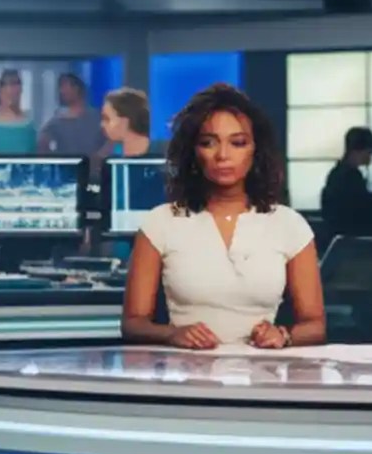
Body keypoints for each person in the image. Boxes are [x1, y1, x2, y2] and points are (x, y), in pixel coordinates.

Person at [121, 83, 326, 350]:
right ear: (193, 152)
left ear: (255, 150)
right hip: (187, 368)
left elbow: (315, 325)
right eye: (208, 143)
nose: (223, 155)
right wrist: (172, 334)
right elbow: (133, 323)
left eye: (238, 143)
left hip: (262, 369)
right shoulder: (160, 223)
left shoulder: (289, 225)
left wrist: (283, 335)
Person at [37, 73, 107, 161]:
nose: (61, 91)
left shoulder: (97, 117)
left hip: (94, 168)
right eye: (60, 87)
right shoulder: (56, 122)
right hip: (67, 168)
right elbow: (42, 145)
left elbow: (111, 140)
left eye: (64, 86)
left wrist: (100, 156)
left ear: (76, 88)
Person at [320, 126, 372, 235]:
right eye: (369, 152)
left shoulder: (336, 173)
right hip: (348, 233)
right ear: (357, 151)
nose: (370, 157)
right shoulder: (351, 176)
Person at [101, 87, 163, 157]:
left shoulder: (162, 152)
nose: (102, 124)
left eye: (107, 119)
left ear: (124, 122)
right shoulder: (108, 153)